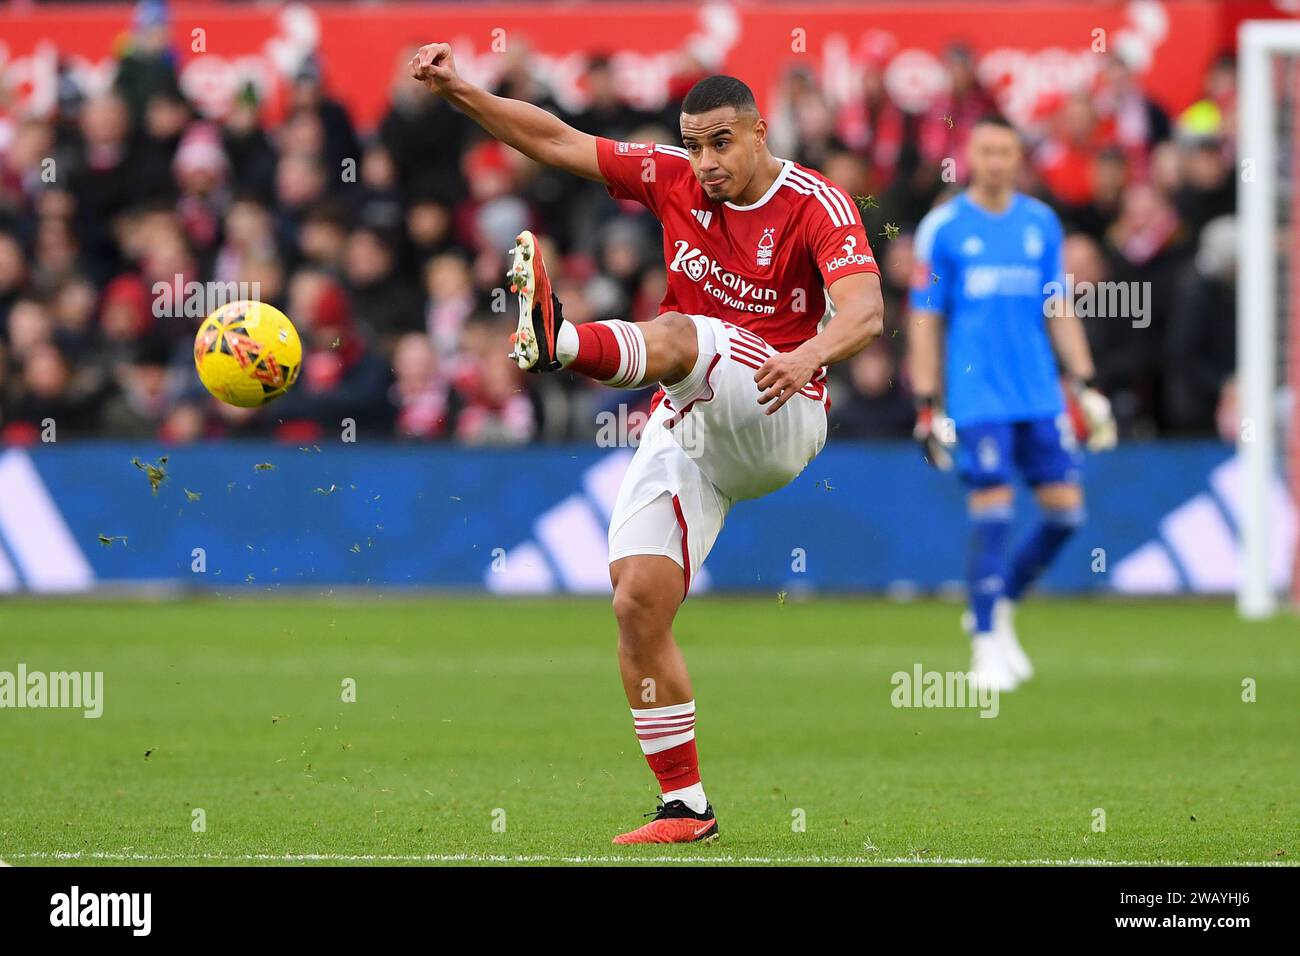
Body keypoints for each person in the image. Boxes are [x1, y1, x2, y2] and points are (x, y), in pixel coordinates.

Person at [410, 43, 884, 844]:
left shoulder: (816, 203)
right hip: (693, 418)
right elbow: (556, 139)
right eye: (694, 145)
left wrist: (810, 353)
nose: (705, 162)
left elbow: (866, 310)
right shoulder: (672, 177)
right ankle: (685, 807)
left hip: (780, 403)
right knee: (636, 600)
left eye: (721, 143)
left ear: (760, 132)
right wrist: (461, 90)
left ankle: (560, 343)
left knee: (681, 332)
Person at [908, 116, 1116, 692]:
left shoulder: (1040, 223)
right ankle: (983, 644)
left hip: (1039, 392)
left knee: (1066, 514)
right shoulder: (944, 228)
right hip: (977, 395)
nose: (996, 161)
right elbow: (925, 317)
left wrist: (1085, 384)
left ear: (1018, 158)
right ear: (970, 156)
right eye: (986, 150)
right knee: (994, 511)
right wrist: (927, 401)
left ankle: (998, 606)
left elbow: (1058, 306)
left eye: (1005, 151)